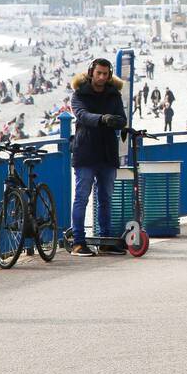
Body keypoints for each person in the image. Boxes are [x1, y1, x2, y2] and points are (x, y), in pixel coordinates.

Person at [69, 58, 126, 256]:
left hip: (108, 152)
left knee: (105, 198)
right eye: (98, 73)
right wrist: (103, 119)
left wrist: (117, 121)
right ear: (91, 72)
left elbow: (122, 118)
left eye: (105, 74)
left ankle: (105, 240)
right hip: (85, 151)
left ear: (109, 75)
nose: (101, 77)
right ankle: (78, 242)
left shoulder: (114, 95)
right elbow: (82, 115)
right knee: (82, 197)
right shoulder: (79, 94)